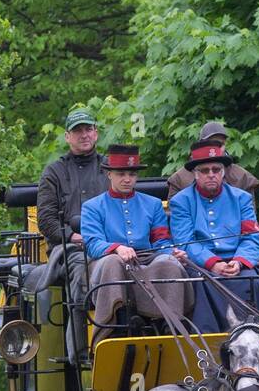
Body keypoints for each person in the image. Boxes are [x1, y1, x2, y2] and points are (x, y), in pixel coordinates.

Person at [81, 145, 193, 340]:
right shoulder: (92, 207)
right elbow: (92, 244)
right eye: (121, 174)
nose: (127, 179)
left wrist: (172, 252)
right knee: (114, 263)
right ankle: (116, 325)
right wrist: (117, 248)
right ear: (109, 174)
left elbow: (161, 241)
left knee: (168, 263)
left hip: (146, 260)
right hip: (106, 261)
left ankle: (170, 325)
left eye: (132, 174)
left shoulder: (153, 204)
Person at [30, 107, 108, 363]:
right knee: (82, 271)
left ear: (96, 133)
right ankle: (80, 353)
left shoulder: (110, 169)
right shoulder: (53, 173)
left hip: (110, 245)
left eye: (88, 129)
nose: (83, 135)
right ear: (67, 136)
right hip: (70, 249)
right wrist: (74, 237)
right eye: (77, 131)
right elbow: (47, 221)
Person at [168, 142, 259, 335]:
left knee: (254, 281)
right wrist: (213, 263)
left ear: (223, 172)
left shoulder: (241, 198)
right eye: (205, 170)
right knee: (206, 282)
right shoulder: (181, 201)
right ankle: (210, 339)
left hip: (236, 262)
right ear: (195, 174)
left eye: (216, 169)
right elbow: (185, 242)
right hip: (200, 266)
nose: (211, 174)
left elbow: (252, 239)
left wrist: (238, 263)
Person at [166, 122, 259, 203]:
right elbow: (174, 215)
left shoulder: (242, 177)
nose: (216, 147)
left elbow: (250, 214)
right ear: (201, 144)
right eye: (212, 142)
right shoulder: (179, 179)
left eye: (221, 144)